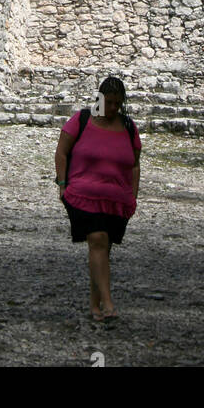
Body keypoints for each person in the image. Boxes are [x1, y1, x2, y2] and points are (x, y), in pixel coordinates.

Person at [54, 74, 141, 324]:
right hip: (83, 195)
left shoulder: (127, 126)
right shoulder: (81, 120)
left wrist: (133, 196)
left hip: (116, 200)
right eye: (109, 102)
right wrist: (62, 185)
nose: (113, 108)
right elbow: (61, 152)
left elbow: (135, 165)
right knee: (98, 240)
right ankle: (109, 303)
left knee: (102, 249)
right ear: (100, 98)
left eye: (118, 103)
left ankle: (95, 306)